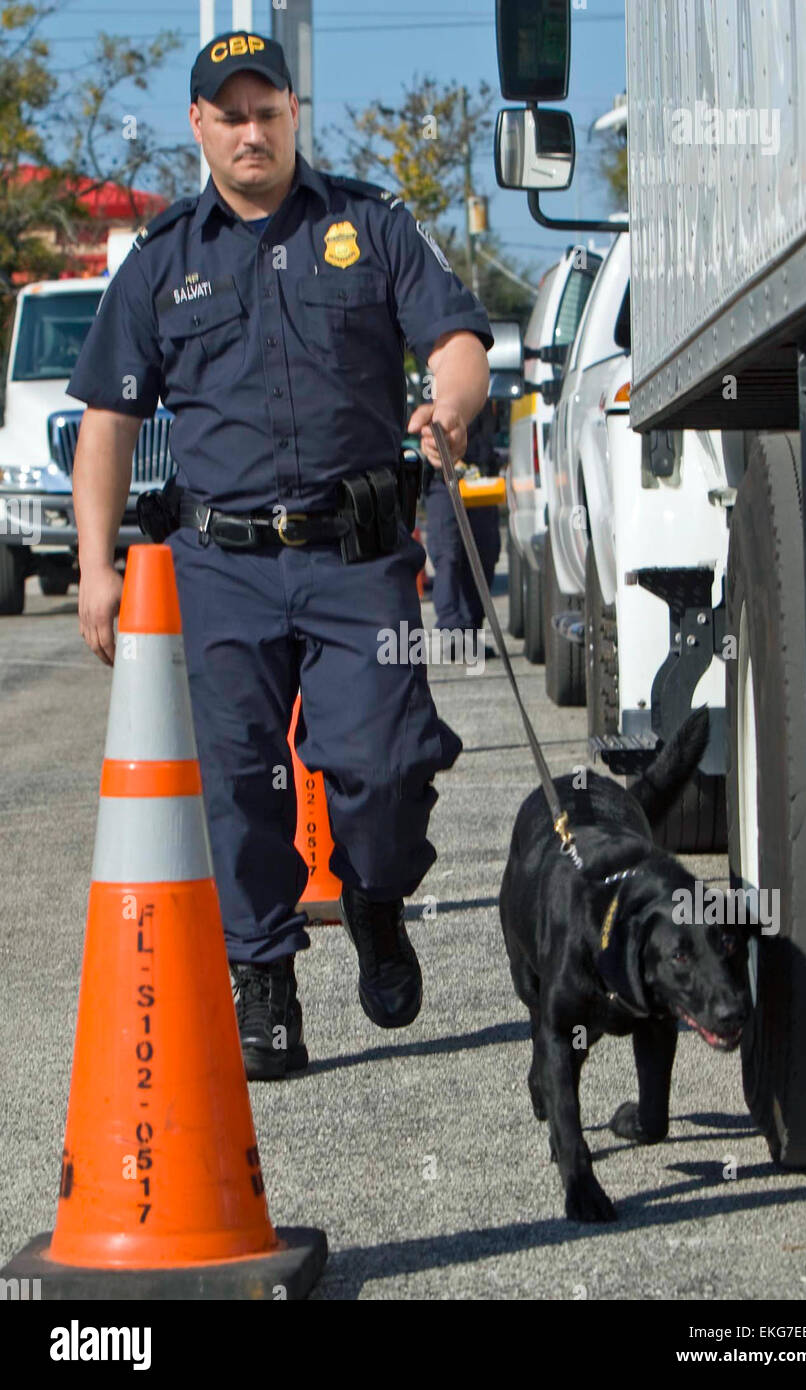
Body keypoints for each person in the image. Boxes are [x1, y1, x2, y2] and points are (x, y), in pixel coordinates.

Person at [68, 30, 493, 1080]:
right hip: (221, 566)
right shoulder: (164, 259)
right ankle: (263, 978)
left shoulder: (372, 225)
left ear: (295, 114)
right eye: (230, 113)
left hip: (358, 557)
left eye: (268, 110)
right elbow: (108, 421)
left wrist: (450, 405)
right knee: (238, 783)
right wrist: (95, 565)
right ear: (199, 127)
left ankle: (376, 896)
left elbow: (457, 340)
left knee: (386, 764)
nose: (251, 130)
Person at [423, 398, 501, 649]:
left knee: (484, 555)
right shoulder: (428, 372)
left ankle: (469, 632)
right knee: (448, 554)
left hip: (480, 478)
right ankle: (451, 630)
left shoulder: (483, 374)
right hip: (442, 479)